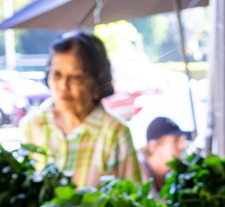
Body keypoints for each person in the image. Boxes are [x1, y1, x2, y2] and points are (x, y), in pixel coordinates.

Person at [21, 31, 140, 188]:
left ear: (98, 81)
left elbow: (132, 200)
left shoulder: (116, 132)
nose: (63, 86)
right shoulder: (33, 125)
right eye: (56, 74)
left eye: (75, 77)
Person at [140, 117, 186, 193]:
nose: (183, 146)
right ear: (154, 147)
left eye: (182, 140)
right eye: (175, 141)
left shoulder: (173, 179)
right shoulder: (136, 174)